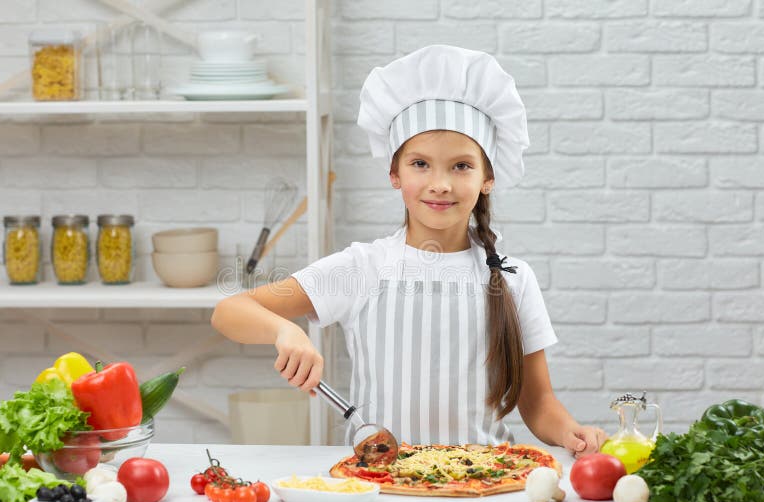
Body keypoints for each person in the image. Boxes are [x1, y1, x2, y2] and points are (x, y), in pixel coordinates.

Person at [212, 45, 606, 457]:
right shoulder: (363, 268)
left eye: (461, 166)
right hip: (381, 484)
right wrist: (285, 330)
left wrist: (570, 433)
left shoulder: (513, 278)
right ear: (394, 174)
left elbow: (538, 403)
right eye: (420, 164)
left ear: (488, 177)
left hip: (486, 483)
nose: (440, 183)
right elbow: (229, 310)